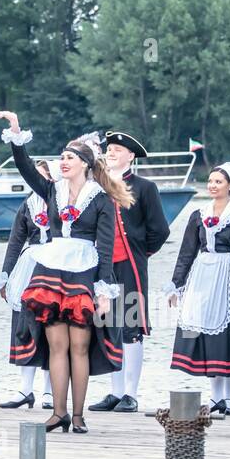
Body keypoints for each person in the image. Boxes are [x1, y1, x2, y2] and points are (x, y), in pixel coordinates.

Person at [0, 111, 126, 434]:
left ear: (85, 163)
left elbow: (105, 249)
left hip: (82, 271)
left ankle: (78, 416)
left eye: (69, 157)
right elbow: (25, 168)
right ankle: (59, 413)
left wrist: (104, 290)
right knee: (56, 346)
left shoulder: (102, 200)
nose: (62, 162)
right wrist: (16, 131)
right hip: (50, 271)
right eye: (61, 157)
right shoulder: (52, 191)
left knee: (79, 347)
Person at [163, 162, 230, 415]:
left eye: (218, 181)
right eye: (211, 181)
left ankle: (228, 398)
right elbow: (186, 253)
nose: (212, 185)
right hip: (203, 275)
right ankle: (216, 396)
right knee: (209, 334)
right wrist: (176, 284)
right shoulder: (199, 214)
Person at [88, 131, 170, 413]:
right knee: (108, 325)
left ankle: (131, 394)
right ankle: (115, 391)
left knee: (131, 326)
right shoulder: (96, 184)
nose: (111, 152)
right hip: (102, 266)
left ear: (130, 156)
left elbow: (159, 229)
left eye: (118, 150)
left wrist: (139, 251)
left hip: (131, 265)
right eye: (109, 148)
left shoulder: (144, 187)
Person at [0, 160, 55, 410]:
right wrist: (5, 275)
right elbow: (15, 242)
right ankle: (25, 389)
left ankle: (50, 391)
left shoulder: (62, 202)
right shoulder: (27, 206)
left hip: (55, 263)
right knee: (24, 325)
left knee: (52, 327)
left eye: (43, 177)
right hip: (29, 267)